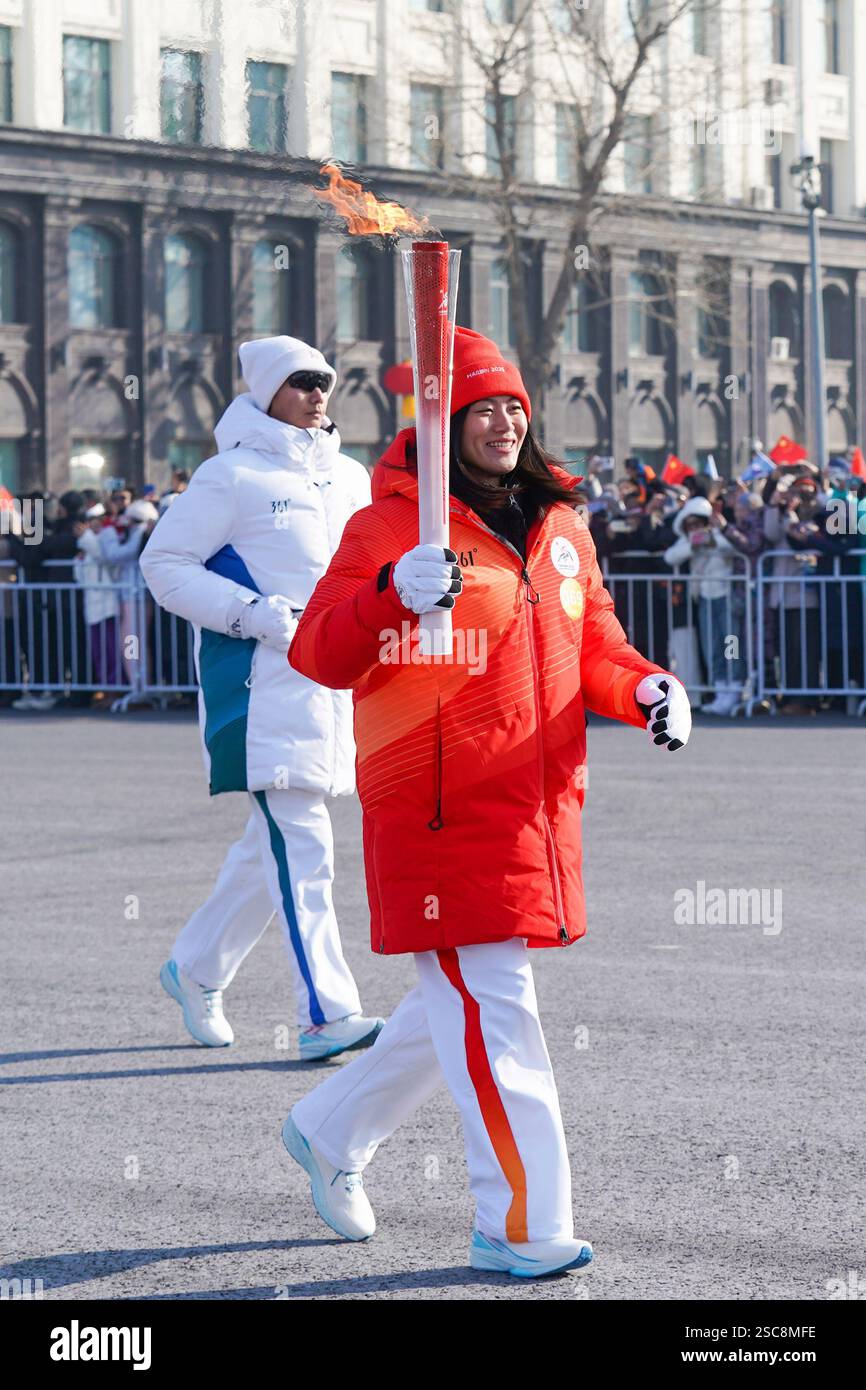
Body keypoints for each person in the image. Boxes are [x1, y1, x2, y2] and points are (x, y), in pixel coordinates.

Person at [281, 327, 692, 1278]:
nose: (504, 421)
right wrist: (390, 594)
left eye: (514, 405)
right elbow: (319, 654)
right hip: (437, 809)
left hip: (535, 806)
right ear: (443, 421)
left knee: (459, 1001)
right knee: (496, 1008)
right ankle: (522, 1224)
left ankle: (328, 1131)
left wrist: (646, 690)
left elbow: (597, 650)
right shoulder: (389, 529)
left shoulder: (561, 529)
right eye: (482, 407)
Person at [140, 335, 384, 1060]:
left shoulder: (351, 477)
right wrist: (258, 615)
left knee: (269, 851)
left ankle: (196, 968)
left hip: (337, 687)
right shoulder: (230, 476)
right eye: (302, 381)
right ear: (266, 390)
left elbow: (370, 571)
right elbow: (165, 564)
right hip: (261, 687)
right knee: (305, 846)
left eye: (326, 381)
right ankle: (327, 1014)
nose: (318, 394)